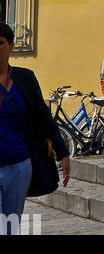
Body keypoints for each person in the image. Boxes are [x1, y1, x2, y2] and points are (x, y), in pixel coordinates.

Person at [0, 22, 70, 235]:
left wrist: (63, 151)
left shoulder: (24, 79)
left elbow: (43, 116)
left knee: (10, 226)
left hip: (19, 165)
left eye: (0, 43)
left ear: (11, 46)